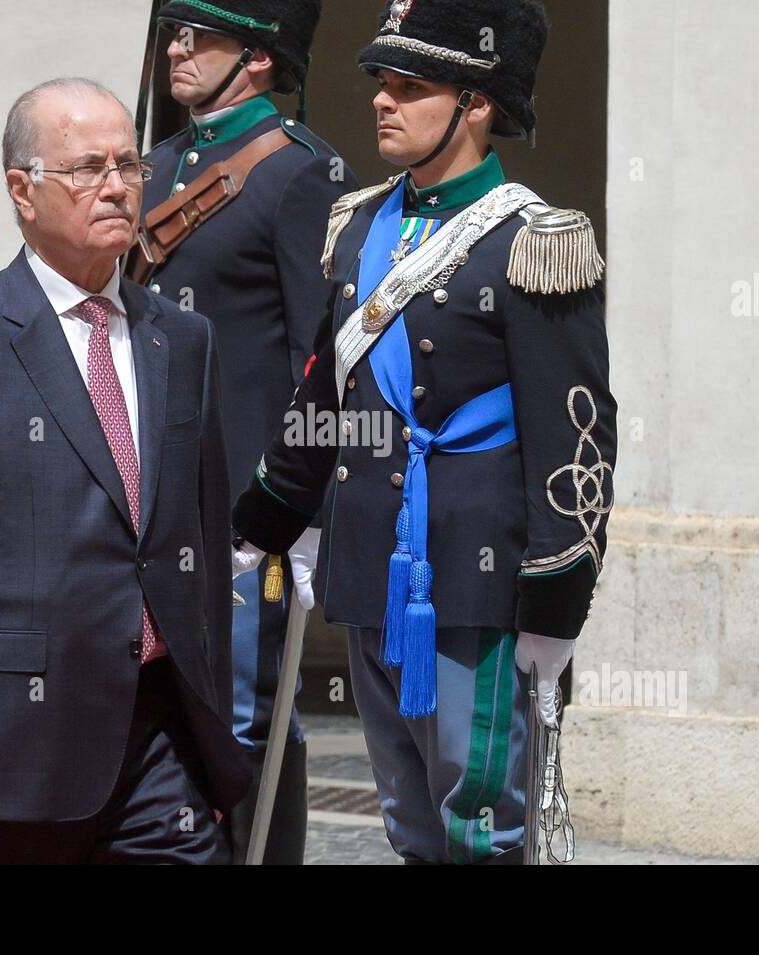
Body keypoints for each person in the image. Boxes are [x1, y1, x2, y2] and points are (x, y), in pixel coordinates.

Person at [229, 0, 616, 864]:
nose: (382, 99)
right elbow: (327, 387)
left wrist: (557, 589)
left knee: (478, 821)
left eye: (412, 87)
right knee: (407, 819)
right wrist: (271, 512)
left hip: (475, 578)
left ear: (475, 104)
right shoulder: (360, 224)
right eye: (382, 81)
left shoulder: (531, 241)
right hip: (372, 560)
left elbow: (575, 431)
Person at [0, 77, 249, 864]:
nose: (117, 186)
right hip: (11, 752)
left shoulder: (183, 339)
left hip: (161, 743)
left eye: (129, 165)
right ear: (23, 189)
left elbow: (201, 549)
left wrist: (210, 728)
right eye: (86, 168)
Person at [140, 0, 354, 864]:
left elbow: (322, 356)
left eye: (202, 35)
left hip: (244, 507)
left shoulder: (300, 172)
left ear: (259, 57)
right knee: (166, 706)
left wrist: (299, 506)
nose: (178, 48)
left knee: (247, 715)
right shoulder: (155, 166)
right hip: (154, 495)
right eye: (175, 31)